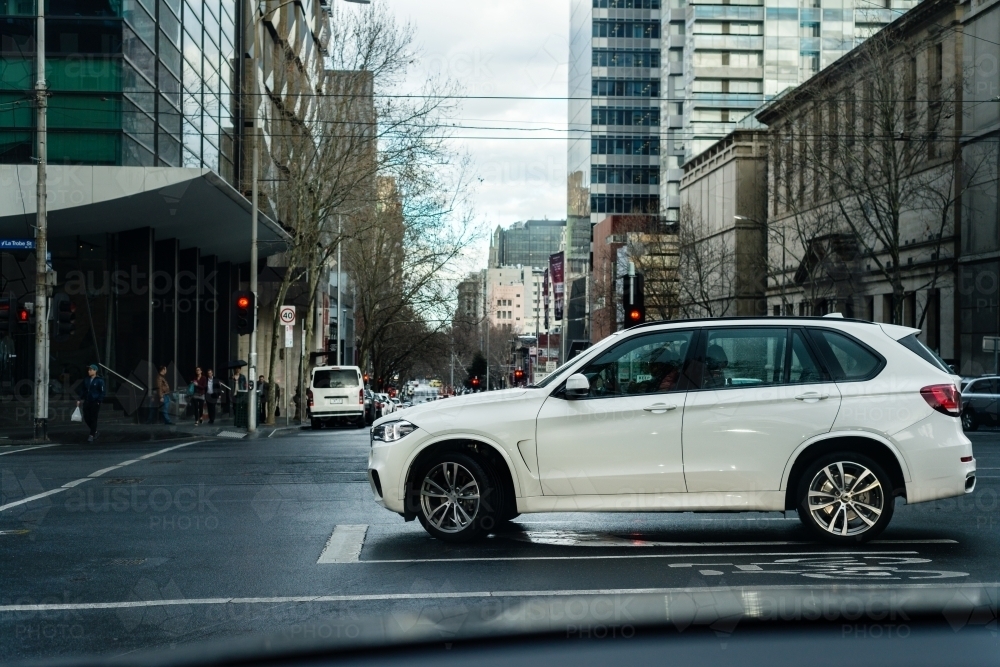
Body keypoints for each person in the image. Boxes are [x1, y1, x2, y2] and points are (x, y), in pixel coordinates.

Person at [76, 364, 106, 442]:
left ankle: (92, 434)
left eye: (91, 370)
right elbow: (83, 390)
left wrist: (99, 401)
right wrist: (79, 398)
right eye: (89, 370)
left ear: (95, 371)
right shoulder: (86, 379)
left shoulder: (99, 380)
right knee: (86, 417)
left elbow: (102, 392)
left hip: (95, 401)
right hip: (87, 400)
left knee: (93, 418)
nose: (89, 371)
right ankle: (95, 431)